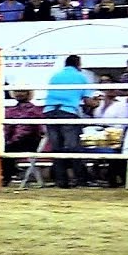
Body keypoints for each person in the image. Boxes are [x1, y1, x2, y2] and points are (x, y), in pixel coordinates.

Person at [43, 54, 92, 188]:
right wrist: (96, 103)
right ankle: (81, 180)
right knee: (73, 147)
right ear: (78, 64)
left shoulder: (55, 76)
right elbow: (88, 101)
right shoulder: (81, 77)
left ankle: (61, 181)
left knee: (57, 148)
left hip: (50, 111)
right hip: (67, 111)